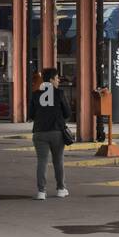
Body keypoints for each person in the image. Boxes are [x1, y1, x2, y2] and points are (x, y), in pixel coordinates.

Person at [29, 67, 72, 200]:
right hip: (56, 133)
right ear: (52, 79)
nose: (58, 80)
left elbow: (31, 115)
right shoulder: (59, 93)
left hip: (39, 132)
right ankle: (60, 189)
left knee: (42, 162)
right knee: (58, 161)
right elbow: (68, 113)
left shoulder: (35, 94)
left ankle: (41, 192)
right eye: (57, 78)